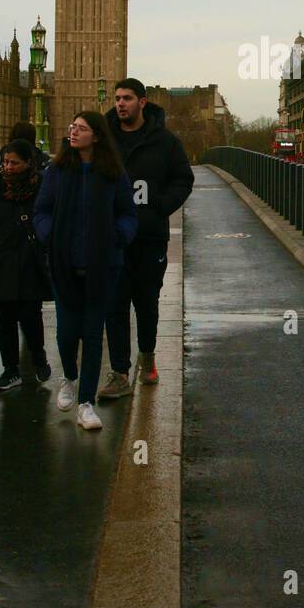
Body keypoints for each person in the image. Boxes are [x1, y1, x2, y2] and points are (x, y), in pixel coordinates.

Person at [33, 111, 137, 431]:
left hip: (102, 264)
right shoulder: (58, 170)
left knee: (93, 336)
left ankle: (86, 403)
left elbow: (127, 213)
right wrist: (50, 235)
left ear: (97, 135)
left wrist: (119, 236)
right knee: (67, 333)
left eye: (81, 128)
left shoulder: (112, 173)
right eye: (72, 127)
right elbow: (42, 210)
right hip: (65, 264)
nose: (73, 132)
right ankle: (69, 378)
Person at [100, 79, 194, 398]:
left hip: (149, 237)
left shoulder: (165, 142)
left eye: (126, 98)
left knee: (146, 304)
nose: (120, 104)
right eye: (116, 98)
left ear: (142, 102)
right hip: (112, 240)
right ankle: (120, 373)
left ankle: (148, 355)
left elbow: (183, 179)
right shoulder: (103, 140)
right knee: (114, 305)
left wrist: (159, 208)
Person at [0, 138, 53, 394]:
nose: (8, 167)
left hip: (30, 260)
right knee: (4, 318)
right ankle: (10, 370)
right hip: (1, 261)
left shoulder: (41, 186)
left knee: (31, 314)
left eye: (14, 163)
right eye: (5, 162)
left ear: (29, 163)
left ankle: (38, 357)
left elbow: (52, 216)